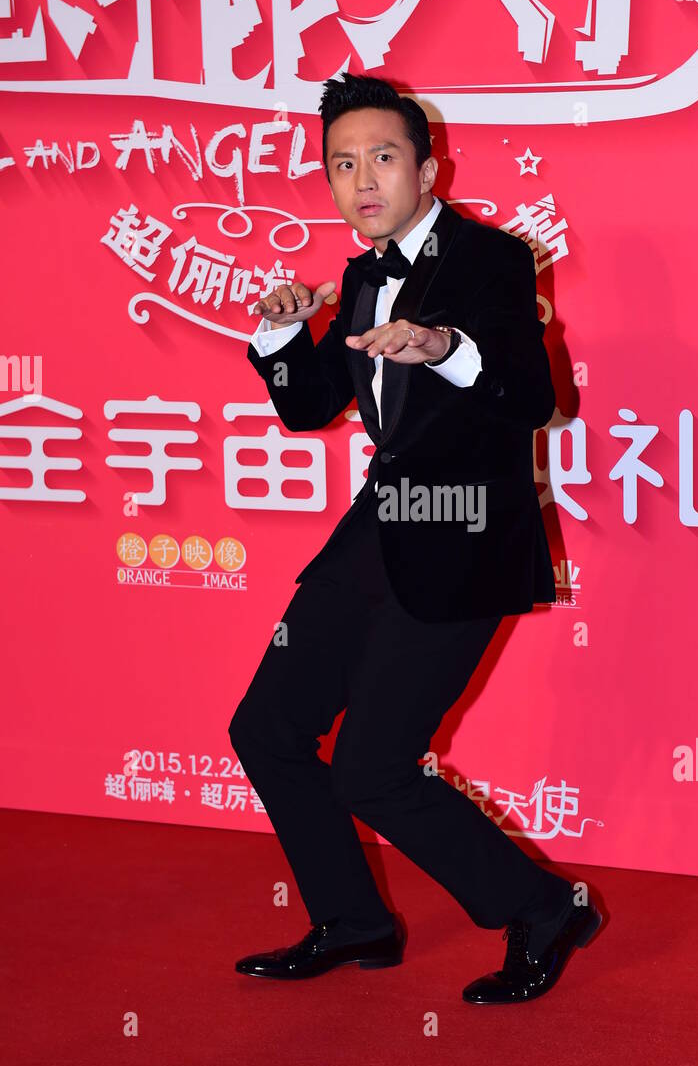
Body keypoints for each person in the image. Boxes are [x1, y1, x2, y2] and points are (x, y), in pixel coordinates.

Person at [228, 72, 603, 1004]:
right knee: (267, 729)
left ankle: (544, 908)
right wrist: (282, 337)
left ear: (427, 168)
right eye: (342, 164)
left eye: (383, 157)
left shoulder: (491, 261)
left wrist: (441, 347)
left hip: (466, 535)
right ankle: (352, 920)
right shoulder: (359, 274)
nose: (362, 179)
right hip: (379, 528)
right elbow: (312, 406)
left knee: (371, 769)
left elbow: (535, 398)